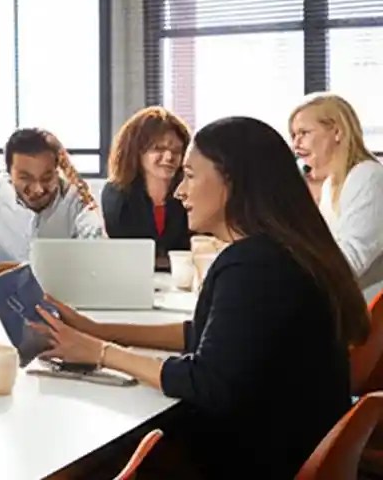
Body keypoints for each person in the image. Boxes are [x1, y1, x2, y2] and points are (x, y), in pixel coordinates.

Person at [33, 116, 368, 479]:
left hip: (258, 461)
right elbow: (205, 335)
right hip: (291, 445)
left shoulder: (254, 265)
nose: (180, 191)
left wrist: (99, 353)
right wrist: (97, 330)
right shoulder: (284, 252)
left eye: (190, 175)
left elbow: (207, 381)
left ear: (231, 182)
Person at [0, 128, 104, 269]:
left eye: (47, 178)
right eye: (25, 178)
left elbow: (98, 249)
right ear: (9, 172)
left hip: (63, 289)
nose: (38, 189)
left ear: (57, 171)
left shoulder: (76, 199)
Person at [291, 92, 383, 296]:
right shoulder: (330, 185)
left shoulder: (368, 176)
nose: (296, 144)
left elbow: (351, 258)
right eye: (294, 136)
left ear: (337, 132)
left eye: (304, 133)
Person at [101, 107, 192, 269]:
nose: (169, 157)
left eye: (176, 150)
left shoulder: (191, 193)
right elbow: (125, 255)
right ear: (136, 152)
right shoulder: (116, 195)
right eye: (158, 149)